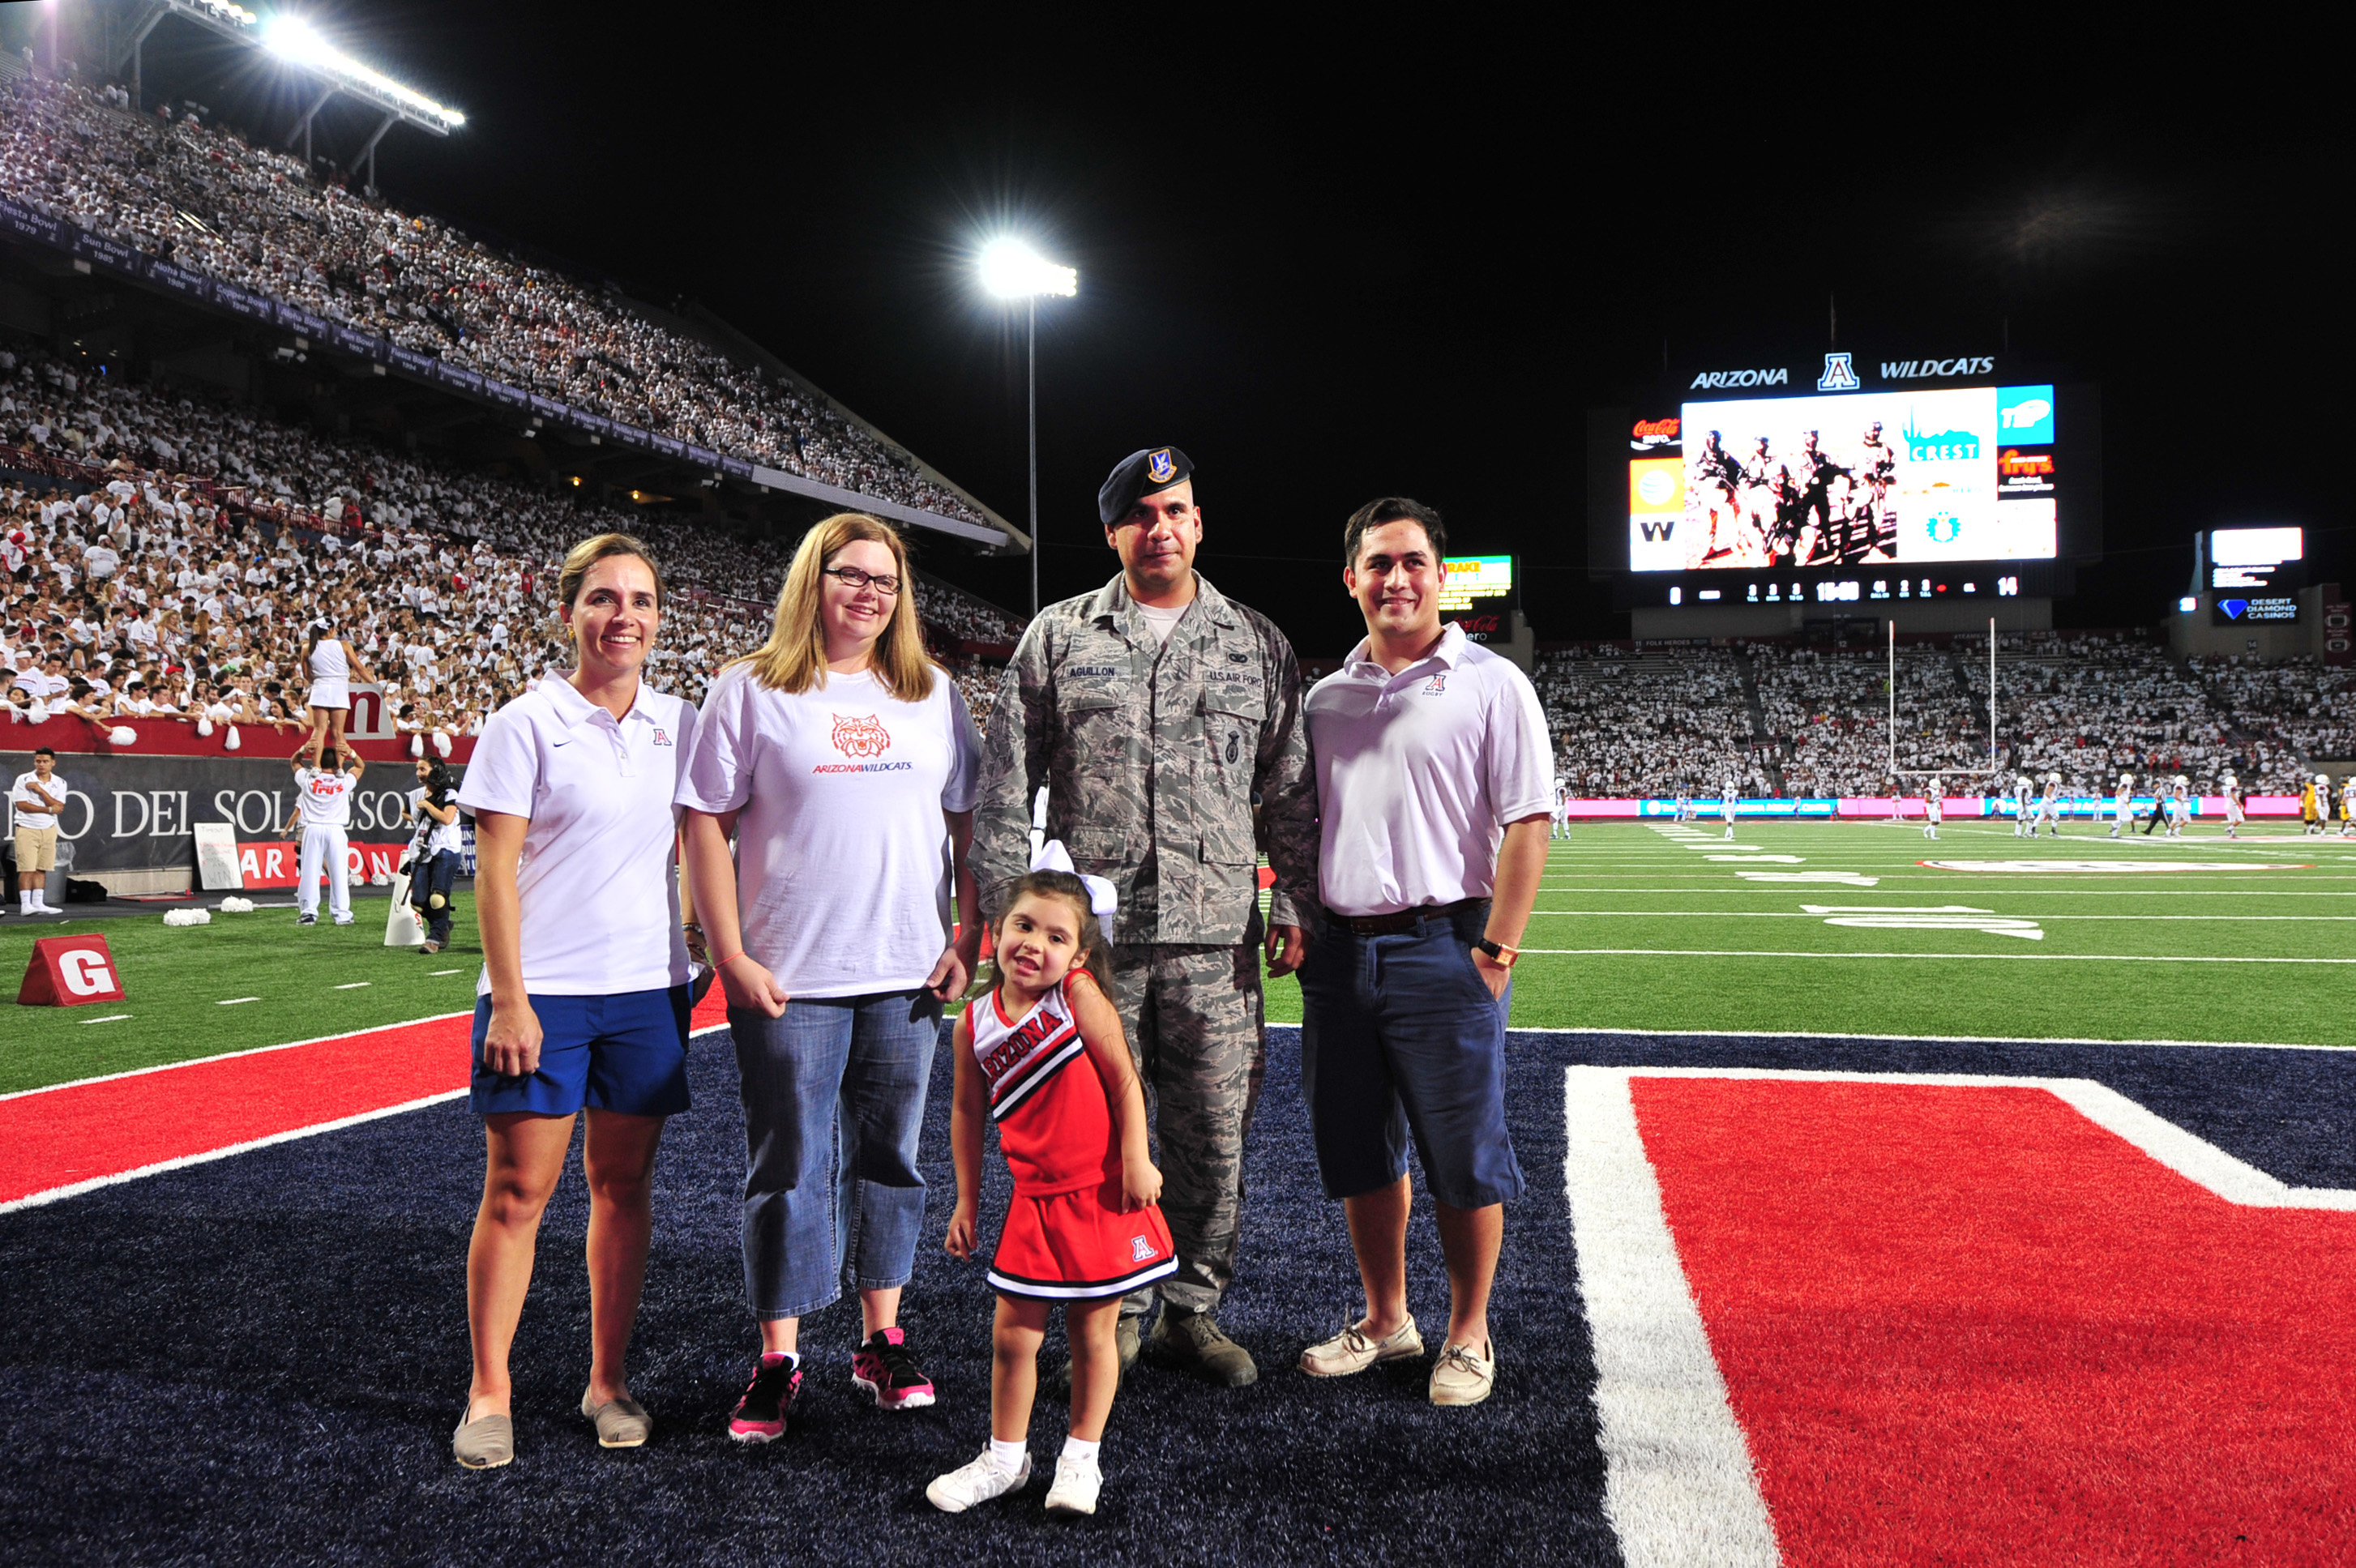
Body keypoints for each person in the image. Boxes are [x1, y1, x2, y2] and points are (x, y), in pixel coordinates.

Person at [971, 446, 1318, 1389]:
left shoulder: (1255, 641)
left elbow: (1288, 787)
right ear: (1114, 532)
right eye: (1140, 514)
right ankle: (1115, 1304)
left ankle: (1191, 1312)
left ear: (1198, 522)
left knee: (1213, 1136)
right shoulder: (1058, 636)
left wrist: (1289, 896)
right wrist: (1003, 926)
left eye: (1176, 510)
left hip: (1215, 943)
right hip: (1094, 953)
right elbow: (1007, 787)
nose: (1159, 527)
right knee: (1091, 1140)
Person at [678, 513, 981, 1442]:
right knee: (789, 1166)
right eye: (849, 575)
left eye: (885, 581)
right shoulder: (751, 689)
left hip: (909, 975)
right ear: (813, 580)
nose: (867, 594)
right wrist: (729, 953)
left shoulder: (933, 693)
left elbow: (969, 825)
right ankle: (779, 1355)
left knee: (892, 1162)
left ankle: (881, 1338)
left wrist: (965, 933)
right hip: (790, 976)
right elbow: (702, 822)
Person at [448, 532, 699, 1470]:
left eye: (639, 599)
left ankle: (607, 1380)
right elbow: (496, 875)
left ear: (659, 618)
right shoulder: (525, 721)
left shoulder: (681, 720)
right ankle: (489, 1391)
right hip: (542, 995)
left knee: (623, 1190)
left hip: (647, 992)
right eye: (602, 598)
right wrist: (510, 999)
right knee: (518, 1194)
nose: (622, 615)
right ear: (569, 613)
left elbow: (697, 849)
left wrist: (700, 937)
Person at [1294, 497, 1550, 1408]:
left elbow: (1529, 823)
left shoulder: (1491, 681)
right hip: (1339, 955)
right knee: (1360, 1150)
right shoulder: (1325, 697)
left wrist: (1496, 950)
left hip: (1447, 945)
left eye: (1412, 562)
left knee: (1463, 1154)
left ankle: (1470, 1332)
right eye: (1377, 563)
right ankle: (1387, 1318)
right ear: (1352, 579)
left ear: (1440, 575)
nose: (1395, 579)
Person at [926, 856, 1172, 1519]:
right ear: (996, 929)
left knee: (1094, 1331)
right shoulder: (973, 1022)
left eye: (1056, 936)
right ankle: (1006, 1458)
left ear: (1080, 952)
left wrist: (1136, 1157)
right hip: (1032, 1202)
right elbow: (965, 1114)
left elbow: (1123, 1077)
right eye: (1022, 926)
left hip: (1098, 1194)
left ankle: (1079, 1458)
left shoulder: (1078, 996)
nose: (1034, 944)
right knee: (1013, 1335)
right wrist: (967, 1200)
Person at [278, 734, 364, 926]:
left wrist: (303, 749)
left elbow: (294, 762)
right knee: (339, 872)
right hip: (336, 829)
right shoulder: (343, 782)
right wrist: (351, 752)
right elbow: (360, 766)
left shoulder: (308, 779)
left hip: (313, 828)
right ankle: (342, 914)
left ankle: (308, 913)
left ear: (315, 761)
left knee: (309, 871)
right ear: (337, 764)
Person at [404, 756, 465, 955]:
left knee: (438, 897)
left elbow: (447, 818)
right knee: (419, 901)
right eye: (417, 769)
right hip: (422, 847)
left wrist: (429, 806)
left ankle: (434, 938)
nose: (418, 773)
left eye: (423, 769)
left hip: (446, 847)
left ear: (435, 770)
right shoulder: (415, 794)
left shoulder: (450, 793)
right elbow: (406, 813)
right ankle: (444, 923)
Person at [301, 618, 378, 759]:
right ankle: (340, 768)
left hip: (320, 688)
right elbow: (360, 668)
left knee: (319, 729)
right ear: (330, 630)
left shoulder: (307, 647)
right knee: (338, 732)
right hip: (339, 689)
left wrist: (319, 681)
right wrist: (375, 684)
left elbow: (307, 674)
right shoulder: (344, 645)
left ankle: (316, 766)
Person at [9, 746, 65, 916]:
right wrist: (48, 809)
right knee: (27, 868)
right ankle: (25, 905)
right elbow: (22, 805)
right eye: (38, 761)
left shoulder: (60, 782)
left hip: (48, 829)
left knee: (42, 868)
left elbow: (59, 805)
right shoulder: (24, 779)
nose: (41, 764)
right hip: (27, 828)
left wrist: (41, 791)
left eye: (45, 761)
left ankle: (38, 903)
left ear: (52, 763)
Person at [2221, 772, 2244, 840]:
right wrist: (2239, 803)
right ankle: (2229, 829)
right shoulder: (2232, 788)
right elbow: (2232, 795)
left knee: (2231, 820)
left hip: (2227, 804)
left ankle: (2232, 834)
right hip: (2232, 804)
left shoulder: (2225, 787)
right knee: (2241, 819)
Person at [1922, 777, 1943, 841]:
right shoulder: (1929, 790)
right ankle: (1932, 836)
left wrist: (1937, 800)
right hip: (1931, 806)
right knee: (1934, 820)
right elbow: (1927, 800)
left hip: (1936, 805)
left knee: (1938, 821)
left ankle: (1926, 829)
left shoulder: (1936, 790)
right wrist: (1934, 800)